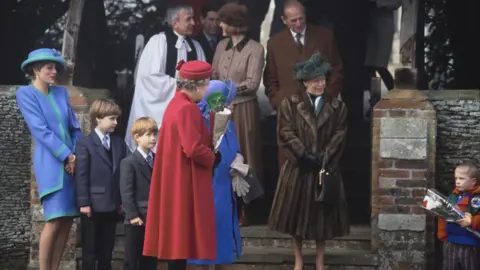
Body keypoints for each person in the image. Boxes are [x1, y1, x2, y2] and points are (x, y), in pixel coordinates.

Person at [268, 52, 349, 270]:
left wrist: (325, 156)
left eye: (322, 79)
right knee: (296, 219)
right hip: (299, 168)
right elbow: (285, 132)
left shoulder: (337, 106)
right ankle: (299, 260)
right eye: (315, 80)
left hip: (325, 168)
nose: (319, 84)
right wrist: (303, 155)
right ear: (305, 82)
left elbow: (340, 133)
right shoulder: (290, 104)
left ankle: (320, 261)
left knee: (322, 219)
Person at [143, 60, 222, 268]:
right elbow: (193, 148)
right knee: (181, 239)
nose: (207, 91)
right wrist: (212, 157)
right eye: (206, 86)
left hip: (174, 176)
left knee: (177, 241)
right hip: (184, 179)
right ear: (196, 86)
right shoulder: (187, 109)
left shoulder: (174, 104)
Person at [16, 48, 83, 270]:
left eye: (55, 67)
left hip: (72, 164)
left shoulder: (61, 93)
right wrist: (67, 155)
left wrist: (76, 154)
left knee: (67, 219)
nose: (54, 71)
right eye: (49, 67)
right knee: (54, 219)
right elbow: (40, 130)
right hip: (51, 164)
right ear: (36, 70)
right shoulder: (26, 94)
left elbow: (75, 128)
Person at [263, 0, 343, 172]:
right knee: (289, 164)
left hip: (319, 112)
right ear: (283, 20)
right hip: (288, 112)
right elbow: (270, 78)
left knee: (319, 163)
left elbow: (336, 69)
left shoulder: (324, 36)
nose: (298, 24)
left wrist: (326, 96)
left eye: (301, 19)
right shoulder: (274, 43)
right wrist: (278, 101)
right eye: (293, 21)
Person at [125, 3, 206, 152]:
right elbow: (150, 78)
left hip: (187, 111)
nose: (193, 23)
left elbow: (204, 78)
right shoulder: (158, 43)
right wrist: (184, 86)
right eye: (188, 19)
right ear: (175, 23)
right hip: (159, 109)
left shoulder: (196, 47)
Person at [213, 2, 265, 225]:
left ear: (234, 24)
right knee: (221, 156)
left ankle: (246, 208)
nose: (220, 25)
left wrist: (228, 89)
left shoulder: (255, 48)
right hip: (220, 109)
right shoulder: (220, 45)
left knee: (244, 155)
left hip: (244, 110)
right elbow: (214, 73)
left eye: (223, 21)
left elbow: (252, 83)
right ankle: (224, 206)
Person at [188, 80, 243, 269]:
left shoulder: (228, 124)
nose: (231, 105)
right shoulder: (200, 121)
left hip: (225, 184)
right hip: (208, 185)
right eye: (227, 101)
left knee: (222, 235)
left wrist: (239, 161)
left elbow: (235, 148)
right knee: (206, 233)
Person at [75, 99, 127, 270]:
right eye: (112, 118)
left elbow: (122, 174)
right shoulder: (85, 144)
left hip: (112, 205)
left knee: (107, 250)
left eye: (117, 119)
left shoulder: (119, 143)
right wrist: (84, 203)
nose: (116, 123)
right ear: (98, 118)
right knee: (90, 251)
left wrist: (121, 201)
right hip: (92, 206)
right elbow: (81, 175)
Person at [120, 117, 159, 270]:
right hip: (137, 218)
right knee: (132, 258)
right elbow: (126, 191)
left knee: (150, 259)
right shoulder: (129, 162)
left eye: (155, 134)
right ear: (137, 138)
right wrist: (132, 215)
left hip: (153, 217)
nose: (153, 138)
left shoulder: (157, 160)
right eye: (149, 135)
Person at [437, 162, 480, 270]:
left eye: (462, 178)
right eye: (456, 178)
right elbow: (443, 217)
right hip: (450, 241)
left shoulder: (477, 197)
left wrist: (472, 222)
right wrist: (442, 233)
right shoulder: (453, 196)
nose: (457, 181)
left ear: (473, 181)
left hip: (470, 243)